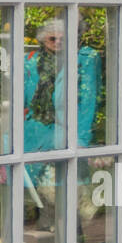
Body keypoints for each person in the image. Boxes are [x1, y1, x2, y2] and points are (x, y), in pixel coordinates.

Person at [23, 18, 102, 185]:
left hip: (66, 138)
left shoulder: (83, 60)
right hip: (34, 139)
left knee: (66, 195)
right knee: (31, 199)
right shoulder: (29, 62)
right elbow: (21, 102)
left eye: (63, 38)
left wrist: (81, 140)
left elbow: (88, 104)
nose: (58, 42)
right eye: (53, 38)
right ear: (43, 39)